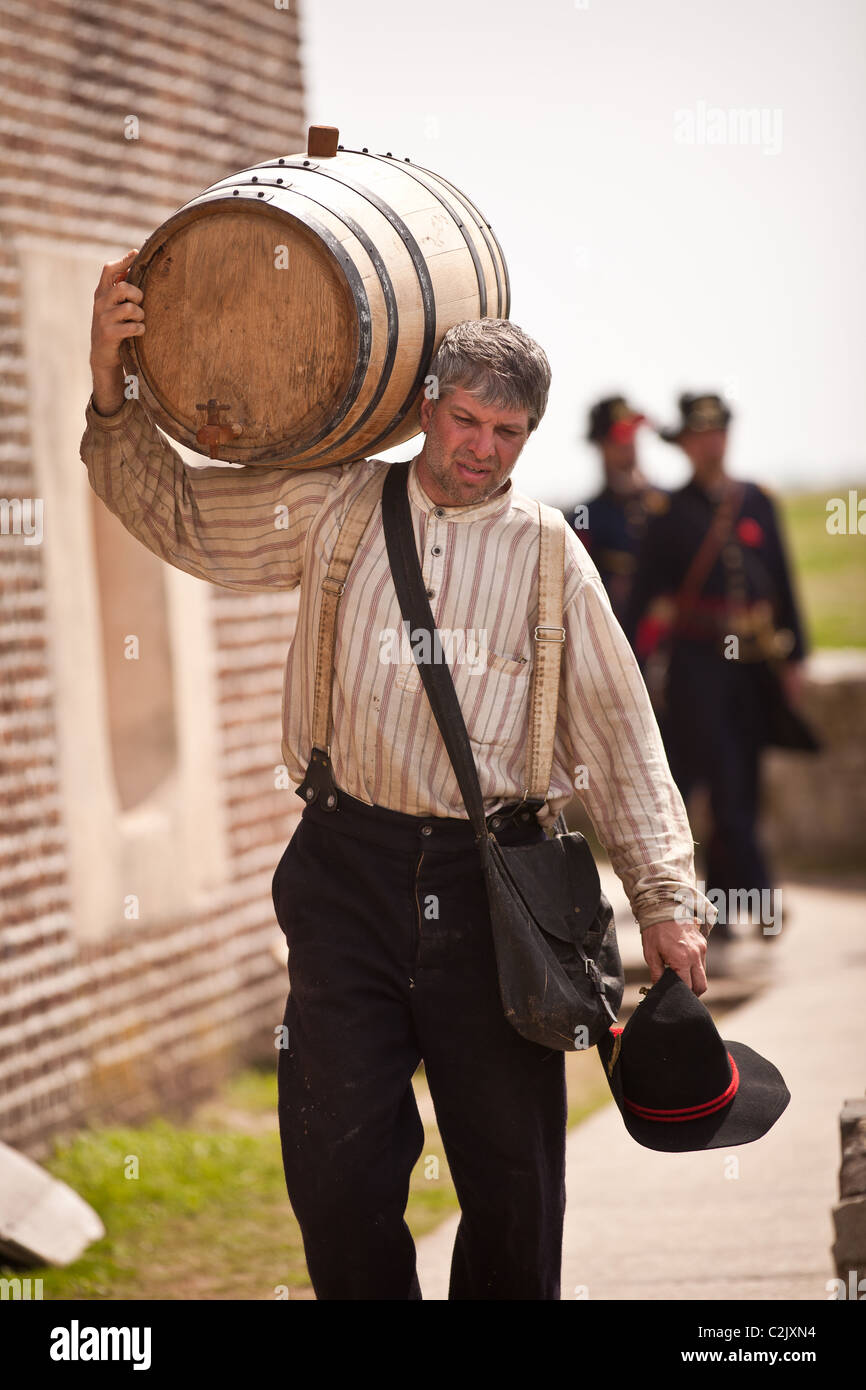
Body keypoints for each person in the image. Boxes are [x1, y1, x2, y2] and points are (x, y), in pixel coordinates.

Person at [82, 250, 713, 1301]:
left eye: (505, 432)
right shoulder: (333, 507)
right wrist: (114, 384)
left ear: (529, 437)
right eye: (464, 420)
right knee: (334, 1171)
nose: (480, 448)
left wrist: (664, 900)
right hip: (345, 870)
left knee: (513, 1189)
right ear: (426, 408)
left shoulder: (551, 554)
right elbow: (177, 514)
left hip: (495, 890)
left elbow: (618, 735)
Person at [623, 392, 809, 943]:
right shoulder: (667, 513)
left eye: (718, 432)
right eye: (700, 435)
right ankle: (764, 899)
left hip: (753, 668)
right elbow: (640, 604)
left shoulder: (757, 501)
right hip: (698, 668)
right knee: (723, 787)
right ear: (685, 445)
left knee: (744, 790)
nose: (711, 444)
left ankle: (723, 915)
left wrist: (794, 659)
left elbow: (783, 584)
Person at [567, 395, 669, 625]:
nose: (629, 447)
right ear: (601, 446)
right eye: (619, 440)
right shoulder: (584, 517)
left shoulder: (669, 506)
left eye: (632, 438)